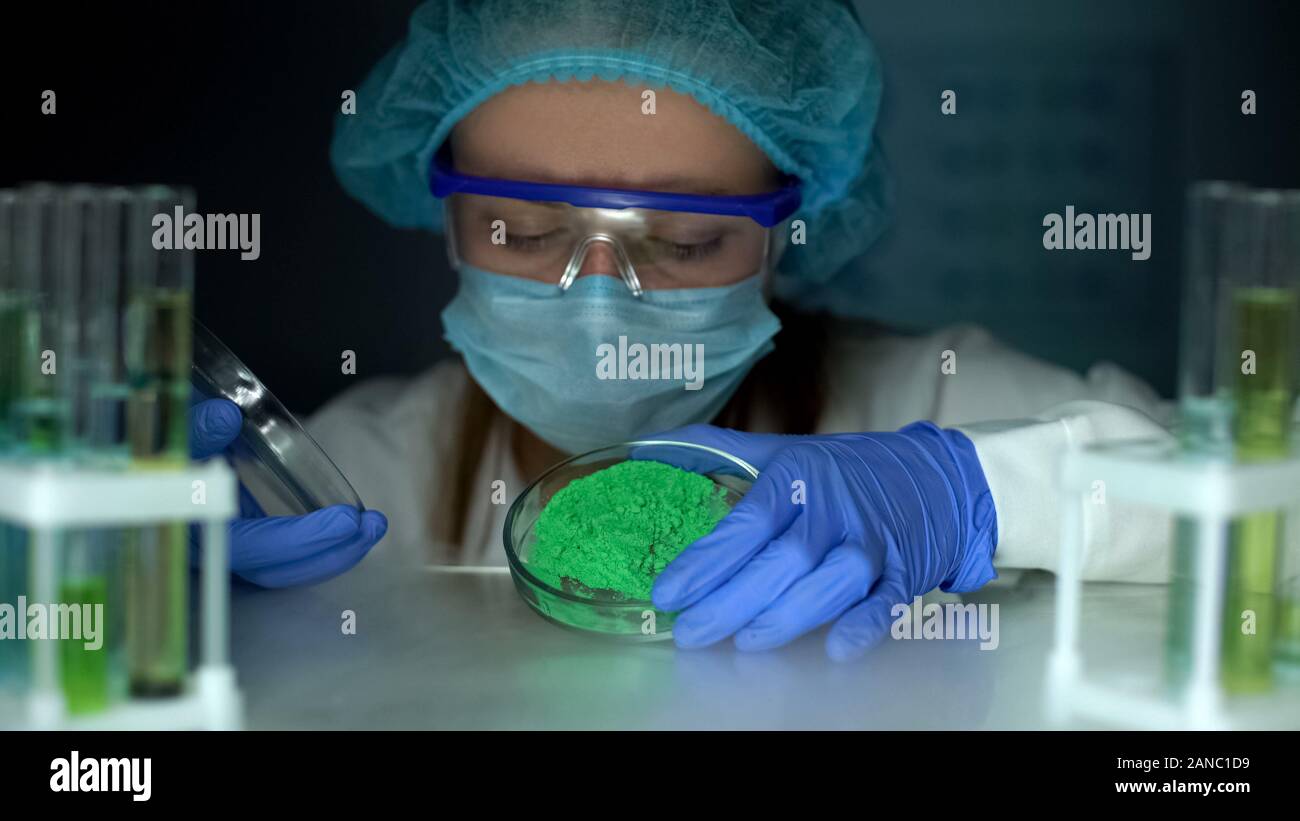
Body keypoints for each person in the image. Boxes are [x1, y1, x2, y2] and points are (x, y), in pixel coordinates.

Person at [192, 0, 1171, 659]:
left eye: (686, 241)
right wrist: (125, 576)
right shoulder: (352, 477)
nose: (600, 302)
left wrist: (972, 492)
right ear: (446, 221)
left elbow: (1260, 499)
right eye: (526, 232)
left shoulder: (940, 399)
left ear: (788, 234)